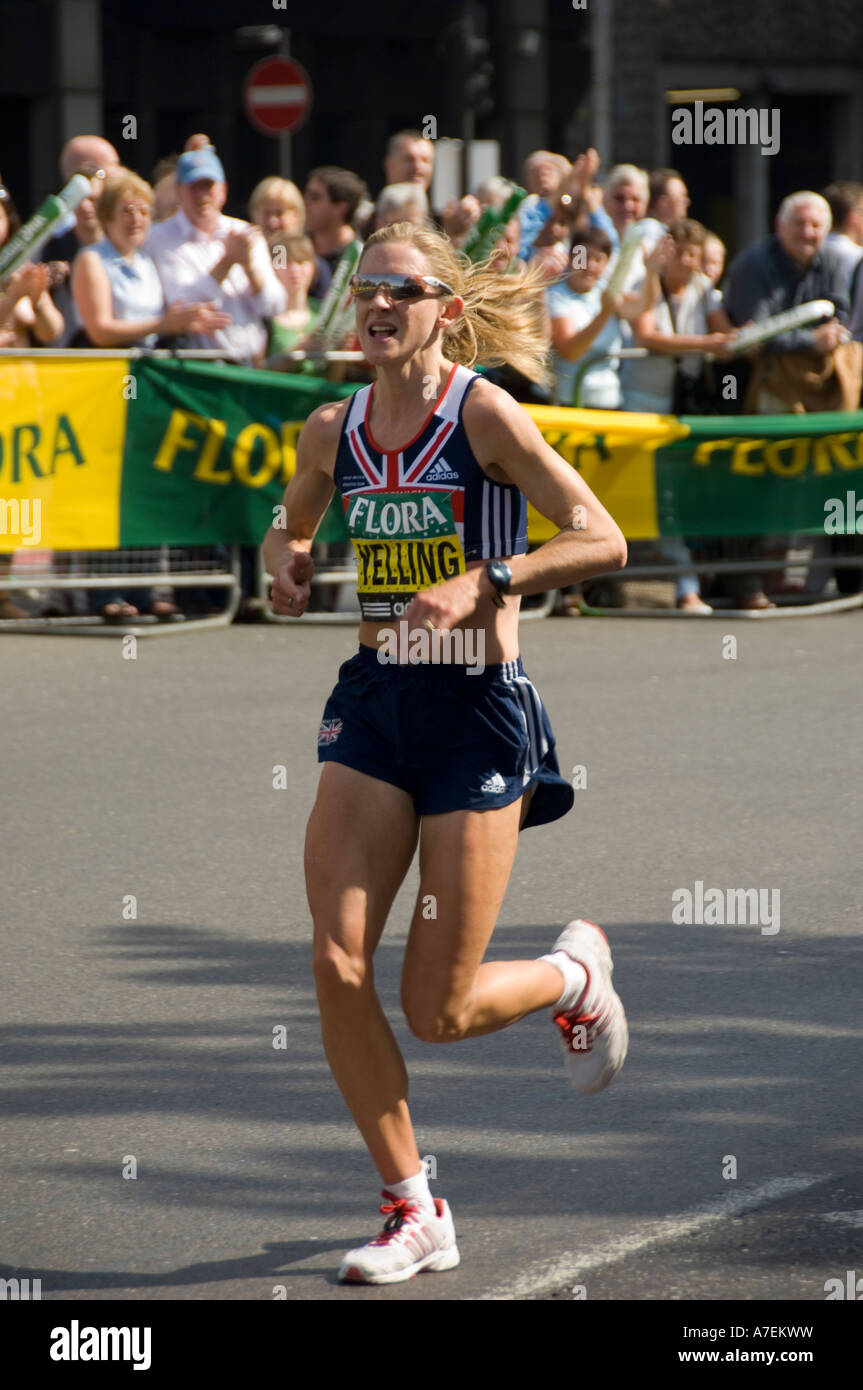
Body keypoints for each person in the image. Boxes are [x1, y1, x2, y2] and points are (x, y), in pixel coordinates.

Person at [262, 221, 630, 1285]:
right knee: (335, 962)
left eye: (399, 288)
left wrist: (488, 581)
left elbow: (599, 537)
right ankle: (411, 1205)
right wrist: (285, 565)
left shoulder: (482, 413)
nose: (375, 302)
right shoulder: (329, 431)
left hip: (475, 708)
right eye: (362, 286)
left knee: (439, 1008)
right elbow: (285, 530)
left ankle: (571, 975)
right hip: (376, 705)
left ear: (444, 310)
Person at [146, 147, 286, 366]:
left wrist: (249, 267)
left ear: (223, 190)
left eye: (208, 186)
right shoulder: (159, 238)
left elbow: (275, 306)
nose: (202, 195)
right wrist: (227, 261)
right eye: (194, 186)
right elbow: (181, 305)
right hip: (197, 367)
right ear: (179, 192)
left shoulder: (245, 233)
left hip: (251, 365)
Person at [249, 176, 331, 300]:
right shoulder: (246, 260)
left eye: (279, 213)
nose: (273, 221)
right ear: (255, 215)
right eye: (266, 213)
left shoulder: (315, 265)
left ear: (296, 216)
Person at [303, 166, 368, 277]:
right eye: (306, 195)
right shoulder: (293, 246)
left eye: (315, 197)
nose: (305, 203)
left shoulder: (363, 257)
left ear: (341, 207)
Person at [265, 232, 321, 355]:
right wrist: (297, 352)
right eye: (285, 263)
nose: (294, 270)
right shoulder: (264, 314)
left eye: (301, 262)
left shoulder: (324, 311)